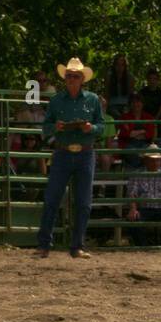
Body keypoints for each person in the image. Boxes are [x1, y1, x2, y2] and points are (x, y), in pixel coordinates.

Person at [35, 57, 104, 259]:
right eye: (69, 76)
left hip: (85, 152)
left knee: (83, 202)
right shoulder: (56, 101)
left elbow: (102, 127)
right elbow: (45, 128)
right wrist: (54, 127)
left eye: (75, 76)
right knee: (52, 198)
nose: (71, 79)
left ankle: (76, 246)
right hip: (63, 151)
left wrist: (91, 128)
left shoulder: (93, 100)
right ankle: (44, 244)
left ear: (82, 79)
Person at [125, 146, 161, 247]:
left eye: (157, 160)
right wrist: (133, 209)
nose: (155, 163)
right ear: (145, 161)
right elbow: (132, 194)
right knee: (133, 218)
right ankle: (143, 246)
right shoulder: (137, 174)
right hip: (144, 209)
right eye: (152, 160)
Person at [117, 92, 157, 168]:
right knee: (132, 152)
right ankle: (141, 168)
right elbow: (125, 134)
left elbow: (150, 134)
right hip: (129, 144)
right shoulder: (124, 117)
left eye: (138, 102)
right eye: (133, 102)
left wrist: (133, 133)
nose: (136, 104)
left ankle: (138, 169)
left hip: (145, 144)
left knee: (149, 151)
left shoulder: (149, 117)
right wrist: (142, 131)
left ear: (142, 104)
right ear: (130, 104)